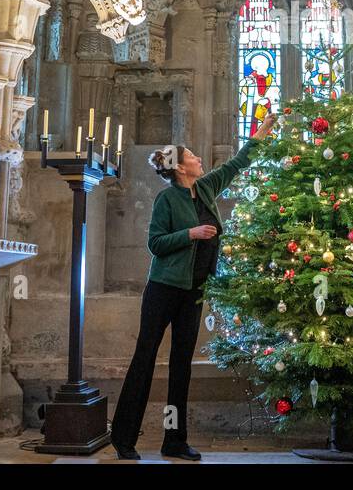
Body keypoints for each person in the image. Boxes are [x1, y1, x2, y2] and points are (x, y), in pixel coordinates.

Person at [109, 112, 277, 460]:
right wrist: (191, 234)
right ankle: (124, 439)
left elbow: (237, 164)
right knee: (145, 358)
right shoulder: (167, 200)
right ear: (180, 168)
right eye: (192, 157)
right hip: (164, 289)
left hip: (194, 290)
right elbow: (155, 243)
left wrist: (261, 133)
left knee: (181, 365)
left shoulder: (205, 188)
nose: (199, 159)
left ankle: (174, 440)